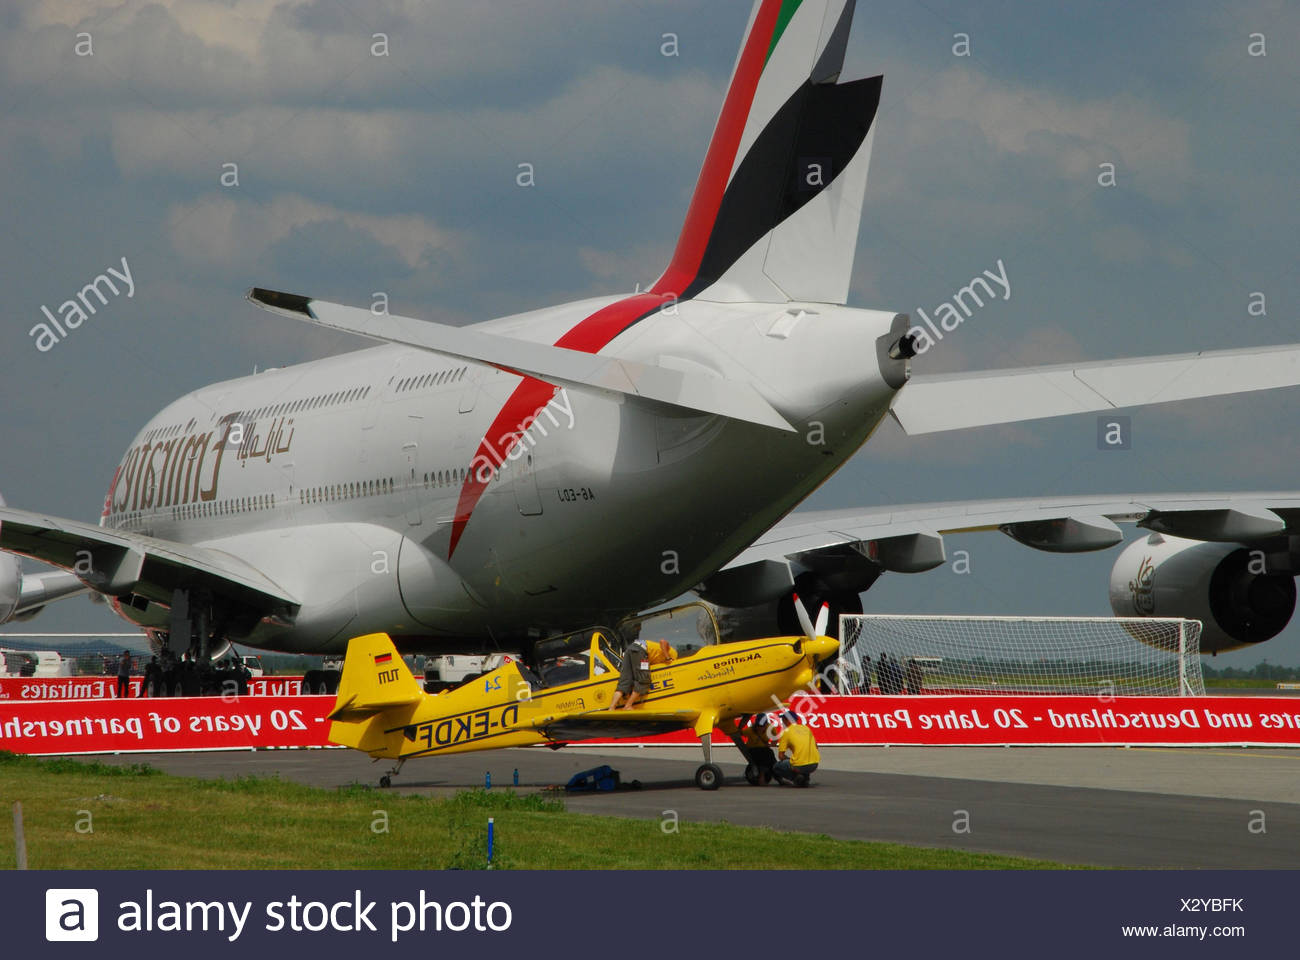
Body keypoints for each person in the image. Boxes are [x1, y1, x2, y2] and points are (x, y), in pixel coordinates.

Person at [608, 638, 675, 710]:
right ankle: (628, 706)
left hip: (632, 648)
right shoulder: (673, 655)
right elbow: (663, 641)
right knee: (644, 679)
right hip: (641, 651)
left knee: (625, 680)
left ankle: (611, 707)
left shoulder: (656, 655)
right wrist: (668, 658)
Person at [772, 713, 820, 786]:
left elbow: (781, 756)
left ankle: (795, 778)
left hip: (799, 766)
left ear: (787, 720)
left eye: (783, 720)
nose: (782, 722)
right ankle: (805, 778)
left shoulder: (786, 732)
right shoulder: (806, 728)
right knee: (802, 760)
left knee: (776, 767)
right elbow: (816, 747)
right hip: (814, 764)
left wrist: (789, 759)